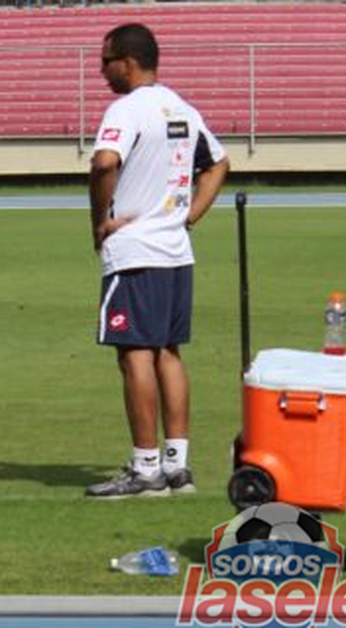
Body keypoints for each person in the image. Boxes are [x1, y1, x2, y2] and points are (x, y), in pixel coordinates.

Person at [86, 23, 229, 499]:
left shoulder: (126, 109)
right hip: (174, 249)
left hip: (135, 251)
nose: (101, 70)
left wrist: (101, 219)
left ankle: (145, 468)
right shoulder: (181, 108)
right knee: (169, 351)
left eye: (106, 61)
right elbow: (218, 164)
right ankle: (177, 466)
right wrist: (190, 215)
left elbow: (105, 162)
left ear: (127, 61)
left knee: (135, 355)